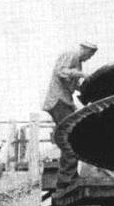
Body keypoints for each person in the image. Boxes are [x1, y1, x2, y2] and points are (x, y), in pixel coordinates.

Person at [42, 40, 98, 197]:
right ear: (85, 50)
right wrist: (82, 75)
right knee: (71, 136)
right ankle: (67, 177)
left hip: (64, 101)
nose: (89, 58)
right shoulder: (72, 55)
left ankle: (68, 176)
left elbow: (72, 84)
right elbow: (60, 72)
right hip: (58, 101)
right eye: (90, 55)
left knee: (71, 136)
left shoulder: (77, 62)